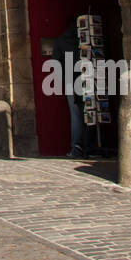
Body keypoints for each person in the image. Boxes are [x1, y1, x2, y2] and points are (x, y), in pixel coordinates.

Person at [52, 19, 84, 157]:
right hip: (86, 78)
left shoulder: (60, 41)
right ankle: (90, 144)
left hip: (70, 80)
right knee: (88, 113)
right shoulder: (81, 42)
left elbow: (56, 62)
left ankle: (76, 147)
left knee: (76, 114)